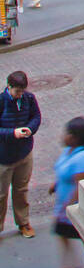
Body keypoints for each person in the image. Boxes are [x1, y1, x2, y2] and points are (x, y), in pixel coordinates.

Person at [44, 116, 84, 268]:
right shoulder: (68, 151)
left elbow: (80, 185)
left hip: (76, 207)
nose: (63, 136)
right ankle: (70, 266)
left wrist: (69, 206)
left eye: (67, 133)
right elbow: (63, 171)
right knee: (62, 232)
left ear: (75, 137)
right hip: (64, 205)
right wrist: (56, 184)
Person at [0, 71, 40, 239]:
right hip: (3, 158)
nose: (20, 94)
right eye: (17, 91)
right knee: (0, 195)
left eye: (22, 91)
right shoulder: (1, 101)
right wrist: (12, 133)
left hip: (24, 154)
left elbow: (36, 117)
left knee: (21, 190)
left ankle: (23, 223)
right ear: (9, 87)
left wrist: (30, 129)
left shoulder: (28, 99)